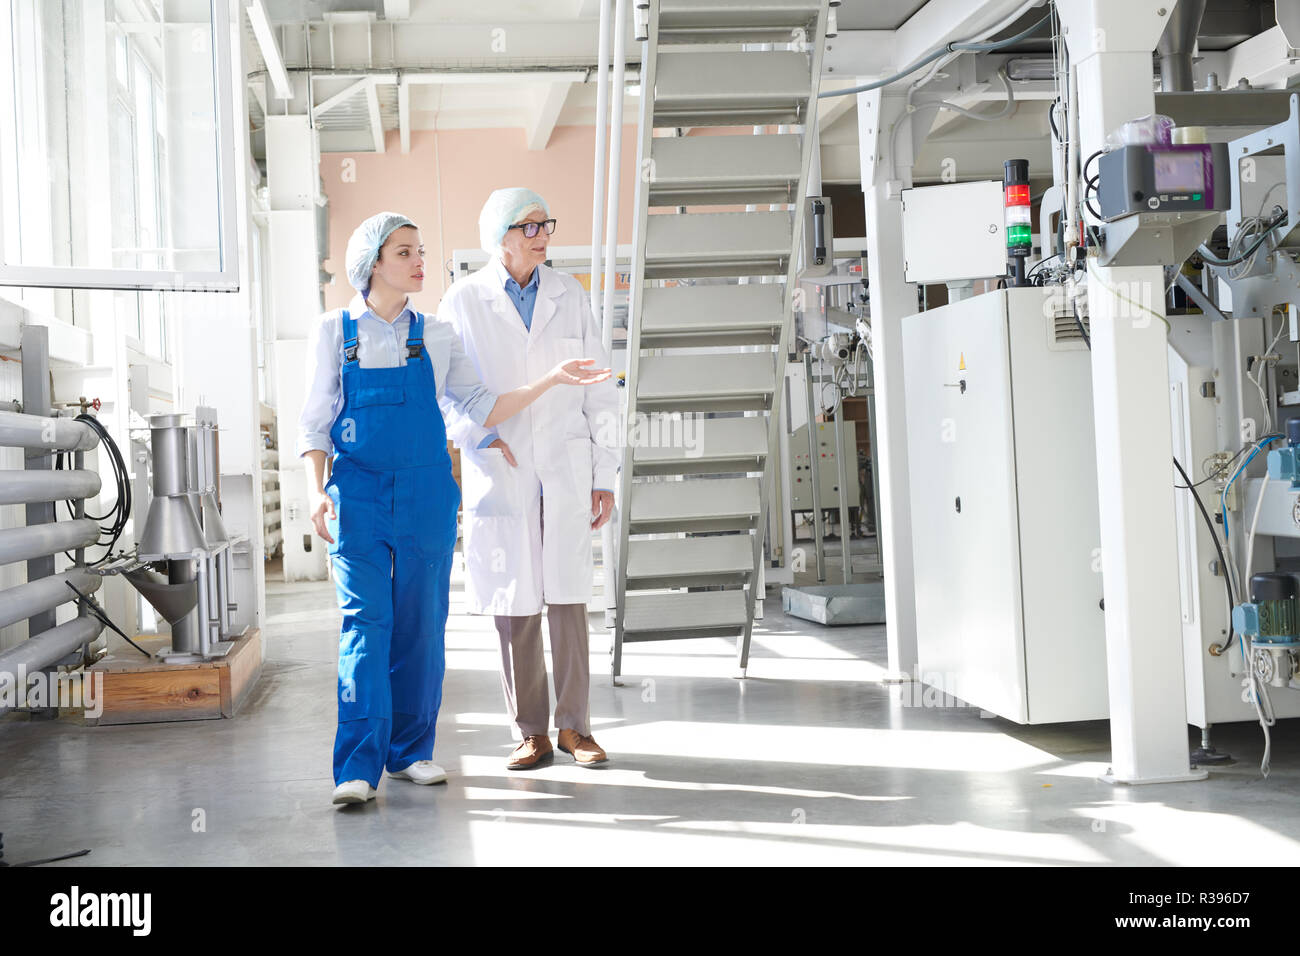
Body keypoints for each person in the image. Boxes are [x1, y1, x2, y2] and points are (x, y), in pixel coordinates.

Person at [298, 211, 610, 806]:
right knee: (366, 626)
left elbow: (478, 404)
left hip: (427, 498)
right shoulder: (334, 332)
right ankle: (356, 767)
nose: (420, 261)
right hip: (357, 498)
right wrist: (316, 491)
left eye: (420, 250)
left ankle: (412, 751)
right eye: (405, 252)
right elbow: (314, 422)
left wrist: (546, 382)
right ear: (372, 264)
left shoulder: (436, 334)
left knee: (421, 626)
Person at [438, 188, 620, 771]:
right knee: (514, 603)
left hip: (566, 467)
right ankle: (530, 732)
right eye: (530, 225)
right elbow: (441, 391)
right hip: (504, 464)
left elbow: (599, 387)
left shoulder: (570, 295)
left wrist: (605, 473)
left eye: (547, 223)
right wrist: (478, 436)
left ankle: (576, 728)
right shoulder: (464, 300)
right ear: (500, 237)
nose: (544, 233)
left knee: (568, 597)